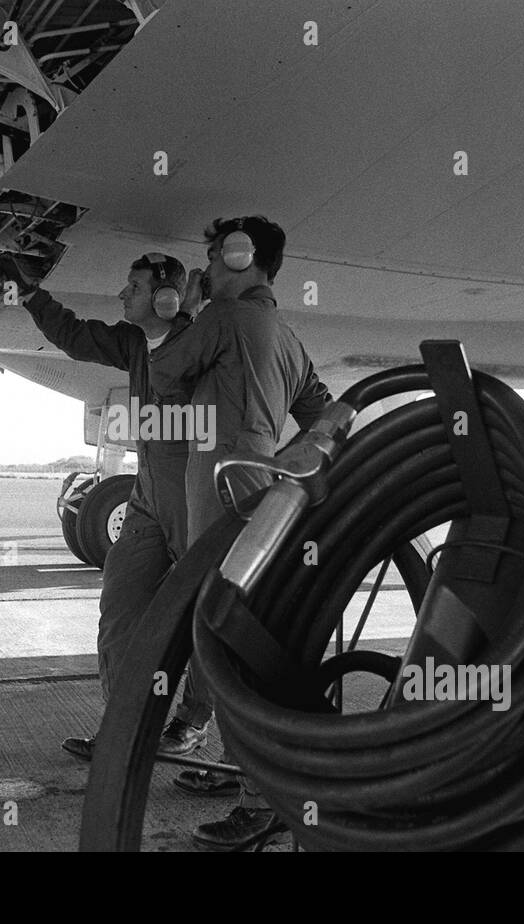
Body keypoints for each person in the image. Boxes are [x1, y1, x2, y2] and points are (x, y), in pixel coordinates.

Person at [148, 215, 333, 849]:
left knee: (226, 641)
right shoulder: (286, 333)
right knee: (246, 635)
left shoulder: (222, 319)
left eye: (209, 259)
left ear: (241, 259)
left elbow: (162, 376)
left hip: (220, 495)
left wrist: (190, 311)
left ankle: (262, 801)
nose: (202, 269)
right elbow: (323, 414)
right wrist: (280, 470)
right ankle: (242, 772)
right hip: (259, 496)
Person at [0, 251, 215, 760]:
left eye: (132, 287)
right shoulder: (135, 343)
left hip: (193, 494)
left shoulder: (201, 341)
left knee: (204, 614)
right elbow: (74, 335)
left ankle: (191, 721)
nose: (121, 295)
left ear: (165, 298)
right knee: (119, 607)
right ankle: (125, 727)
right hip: (148, 496)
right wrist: (30, 293)